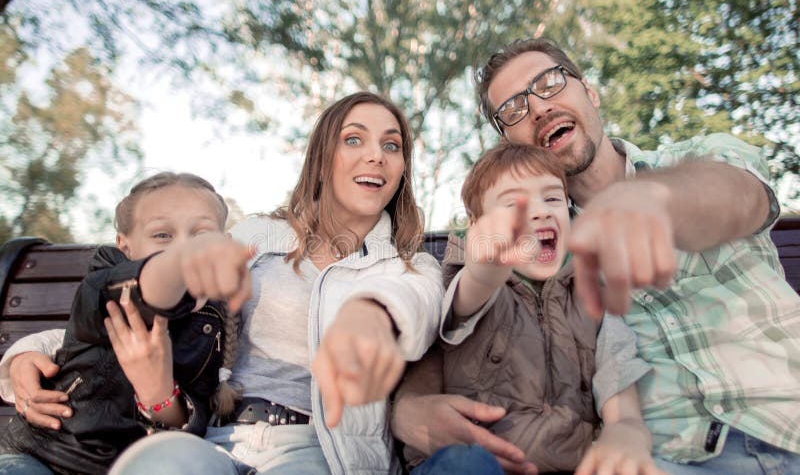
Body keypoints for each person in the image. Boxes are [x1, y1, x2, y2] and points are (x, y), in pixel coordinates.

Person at [394, 37, 800, 474]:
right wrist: (405, 406)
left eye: (549, 83)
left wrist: (654, 198)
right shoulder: (538, 254)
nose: (536, 108)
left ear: (590, 92)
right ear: (508, 140)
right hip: (662, 460)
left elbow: (738, 198)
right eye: (512, 109)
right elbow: (461, 318)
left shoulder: (693, 161)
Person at [0, 92, 448, 475]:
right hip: (213, 436)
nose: (377, 155)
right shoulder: (259, 236)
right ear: (322, 157)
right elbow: (169, 303)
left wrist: (368, 315)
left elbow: (410, 308)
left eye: (392, 145)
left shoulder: (411, 269)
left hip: (320, 449)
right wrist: (27, 354)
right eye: (354, 139)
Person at [400, 142, 657, 474]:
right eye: (514, 205)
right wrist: (488, 265)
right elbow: (466, 300)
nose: (539, 211)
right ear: (477, 224)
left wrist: (625, 431)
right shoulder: (466, 279)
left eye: (552, 198)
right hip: (471, 461)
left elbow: (617, 376)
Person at [0, 172, 251, 474]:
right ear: (124, 247)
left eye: (200, 235)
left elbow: (190, 422)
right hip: (45, 453)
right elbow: (139, 286)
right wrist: (180, 264)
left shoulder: (212, 324)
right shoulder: (105, 276)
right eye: (162, 235)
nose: (183, 246)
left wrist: (160, 396)